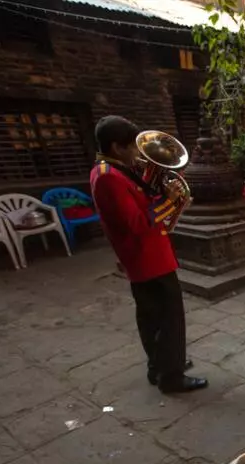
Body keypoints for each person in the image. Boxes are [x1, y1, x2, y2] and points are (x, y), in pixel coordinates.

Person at [90, 116, 207, 394]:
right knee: (169, 320)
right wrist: (169, 201)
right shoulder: (108, 176)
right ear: (117, 147)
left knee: (152, 316)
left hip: (147, 255)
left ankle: (160, 366)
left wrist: (158, 189)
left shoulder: (114, 169)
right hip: (146, 257)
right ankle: (172, 377)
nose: (137, 154)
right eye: (132, 148)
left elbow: (139, 201)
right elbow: (137, 223)